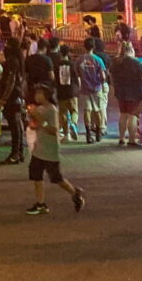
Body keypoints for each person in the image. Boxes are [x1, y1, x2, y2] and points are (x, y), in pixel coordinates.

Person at [24, 83, 86, 216]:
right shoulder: (40, 108)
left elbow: (54, 130)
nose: (37, 96)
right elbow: (36, 125)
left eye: (40, 93)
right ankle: (40, 203)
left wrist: (39, 119)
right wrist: (32, 118)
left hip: (50, 150)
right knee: (36, 176)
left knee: (57, 178)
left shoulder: (52, 109)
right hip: (39, 149)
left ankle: (75, 193)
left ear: (47, 95)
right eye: (36, 93)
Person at [110, 41, 142, 147]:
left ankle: (121, 138)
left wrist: (115, 87)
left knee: (123, 115)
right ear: (131, 49)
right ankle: (131, 140)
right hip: (134, 92)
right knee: (133, 115)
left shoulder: (116, 62)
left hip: (121, 92)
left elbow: (111, 77)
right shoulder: (137, 63)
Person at [0, 41, 27, 164]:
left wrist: (4, 98)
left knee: (14, 125)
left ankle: (15, 154)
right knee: (18, 124)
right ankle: (19, 152)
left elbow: (11, 80)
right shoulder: (19, 60)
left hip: (12, 96)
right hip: (18, 94)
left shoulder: (12, 61)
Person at [76, 40, 108, 143]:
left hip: (84, 89)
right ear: (93, 47)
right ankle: (98, 133)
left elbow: (77, 74)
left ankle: (88, 134)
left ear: (84, 47)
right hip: (96, 88)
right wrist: (101, 83)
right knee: (97, 110)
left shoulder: (79, 60)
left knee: (87, 111)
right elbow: (103, 76)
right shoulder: (98, 60)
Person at [51, 43, 80, 140]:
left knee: (62, 113)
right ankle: (73, 123)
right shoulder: (73, 64)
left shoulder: (56, 65)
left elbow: (54, 79)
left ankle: (66, 134)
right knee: (74, 111)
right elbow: (78, 79)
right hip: (72, 91)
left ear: (60, 53)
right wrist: (78, 90)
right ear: (68, 53)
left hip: (61, 92)